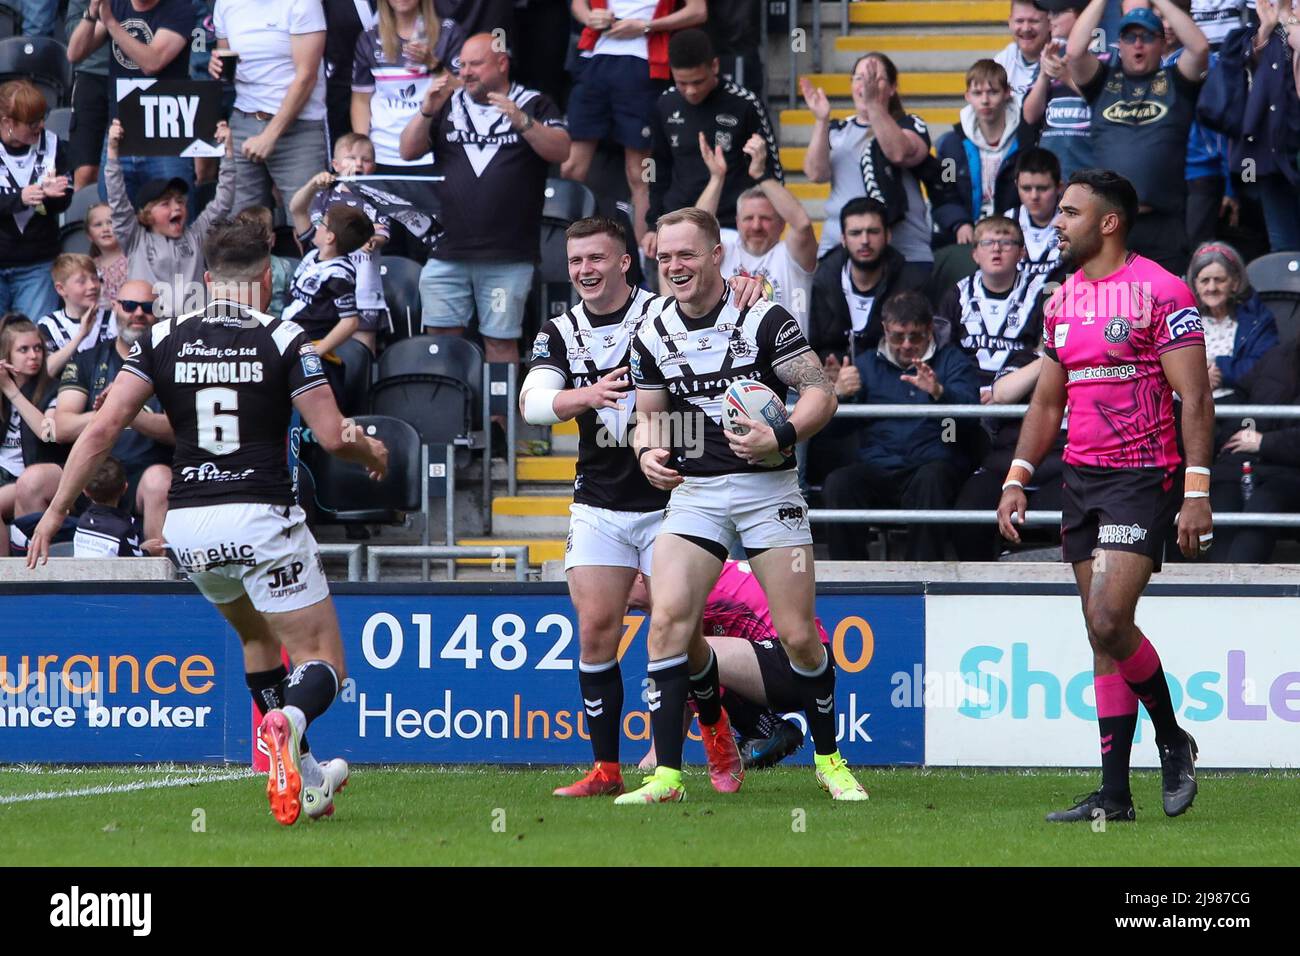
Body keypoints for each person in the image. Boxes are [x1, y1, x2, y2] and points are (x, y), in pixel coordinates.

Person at [27, 218, 390, 827]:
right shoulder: (284, 336)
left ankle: (301, 775)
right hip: (260, 515)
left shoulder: (160, 337)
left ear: (207, 277)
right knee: (323, 662)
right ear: (268, 276)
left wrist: (55, 512)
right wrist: (370, 452)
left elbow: (102, 427)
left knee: (256, 639)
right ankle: (289, 722)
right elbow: (331, 437)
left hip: (187, 526)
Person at [625, 206, 868, 803]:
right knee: (668, 623)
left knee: (798, 637)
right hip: (698, 495)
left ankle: (831, 761)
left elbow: (821, 392)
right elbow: (649, 421)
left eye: (686, 254)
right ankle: (669, 777)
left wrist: (779, 435)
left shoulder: (761, 315)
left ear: (717, 255)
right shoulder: (652, 332)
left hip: (768, 493)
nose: (675, 266)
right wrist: (647, 453)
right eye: (665, 257)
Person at [519, 215, 763, 798]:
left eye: (597, 259)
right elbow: (532, 403)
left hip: (673, 500)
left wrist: (755, 284)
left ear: (625, 261)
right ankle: (606, 771)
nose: (585, 271)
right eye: (576, 262)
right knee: (596, 629)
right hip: (599, 501)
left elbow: (725, 301)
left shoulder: (664, 312)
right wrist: (589, 394)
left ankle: (711, 733)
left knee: (679, 633)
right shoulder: (559, 330)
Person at [996, 169, 1212, 823]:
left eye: (1068, 212)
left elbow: (1195, 396)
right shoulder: (1061, 301)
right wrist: (1016, 476)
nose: (1055, 222)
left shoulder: (1162, 291)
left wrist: (1197, 491)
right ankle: (1115, 795)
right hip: (1081, 477)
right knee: (1100, 638)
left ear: (1108, 222)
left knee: (1108, 620)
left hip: (1143, 475)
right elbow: (1047, 398)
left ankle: (1173, 740)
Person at [399, 33, 570, 365]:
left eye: (475, 64)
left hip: (507, 255)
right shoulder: (447, 102)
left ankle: (499, 418)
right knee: (441, 344)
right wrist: (425, 112)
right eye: (461, 65)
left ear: (502, 63)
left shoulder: (535, 102)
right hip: (447, 251)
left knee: (501, 343)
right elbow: (407, 151)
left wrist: (521, 121)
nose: (465, 72)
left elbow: (561, 150)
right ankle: (449, 416)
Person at [823, 290, 980, 561]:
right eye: (897, 336)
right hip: (878, 468)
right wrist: (838, 395)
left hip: (930, 468)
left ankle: (921, 575)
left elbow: (966, 426)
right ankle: (848, 577)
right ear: (884, 329)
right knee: (839, 484)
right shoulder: (865, 366)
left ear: (930, 329)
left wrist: (940, 394)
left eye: (915, 336)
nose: (906, 345)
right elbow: (833, 433)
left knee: (934, 478)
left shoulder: (951, 362)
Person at [629, 559, 817, 773]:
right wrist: (658, 755)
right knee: (686, 657)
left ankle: (765, 730)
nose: (615, 601)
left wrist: (657, 754)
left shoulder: (684, 588)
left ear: (638, 575)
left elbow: (684, 665)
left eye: (620, 587)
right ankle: (765, 730)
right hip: (808, 667)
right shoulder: (692, 572)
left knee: (680, 653)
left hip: (793, 665)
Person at [1067, 0, 1209, 275]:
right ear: (1119, 44)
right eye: (1130, 37)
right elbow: (1074, 52)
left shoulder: (1177, 82)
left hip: (1164, 222)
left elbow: (1200, 48)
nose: (1138, 44)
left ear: (1162, 42)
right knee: (1111, 310)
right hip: (1111, 224)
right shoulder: (1103, 83)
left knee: (1165, 309)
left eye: (1147, 37)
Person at [561, 0, 707, 247]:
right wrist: (590, 18)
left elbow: (698, 11)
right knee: (571, 168)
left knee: (640, 173)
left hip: (643, 61)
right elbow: (578, 5)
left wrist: (646, 26)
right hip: (594, 58)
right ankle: (568, 251)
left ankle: (642, 258)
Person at [52, 278, 175, 544]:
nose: (138, 313)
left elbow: (181, 432)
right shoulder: (88, 359)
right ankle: (34, 580)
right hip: (90, 471)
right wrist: (109, 412)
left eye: (147, 306)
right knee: (32, 482)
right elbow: (62, 427)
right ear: (115, 307)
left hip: (144, 474)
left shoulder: (174, 363)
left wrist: (130, 413)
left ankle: (158, 579)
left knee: (159, 481)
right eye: (129, 306)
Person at [642, 29, 782, 256]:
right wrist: (652, 225)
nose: (691, 90)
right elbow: (658, 169)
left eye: (698, 81)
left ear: (714, 66)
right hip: (677, 223)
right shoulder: (665, 103)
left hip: (730, 227)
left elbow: (772, 169)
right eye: (682, 83)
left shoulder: (745, 104)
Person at [800, 53, 935, 279]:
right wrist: (822, 120)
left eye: (875, 79)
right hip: (839, 249)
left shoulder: (910, 124)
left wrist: (875, 107)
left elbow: (898, 153)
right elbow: (815, 173)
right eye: (859, 78)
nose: (867, 85)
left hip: (905, 252)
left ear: (892, 88)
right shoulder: (837, 129)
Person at [67, 0, 199, 205]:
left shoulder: (179, 8)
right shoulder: (117, 5)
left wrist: (111, 22)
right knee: (116, 214)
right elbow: (74, 54)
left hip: (165, 133)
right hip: (122, 131)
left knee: (171, 213)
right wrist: (92, 14)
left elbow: (152, 62)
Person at [209, 0, 330, 219]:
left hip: (299, 126)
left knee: (309, 222)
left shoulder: (303, 3)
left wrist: (269, 135)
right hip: (243, 118)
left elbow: (307, 77)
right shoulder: (225, 3)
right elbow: (227, 59)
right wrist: (216, 66)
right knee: (239, 225)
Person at [105, 118, 235, 317]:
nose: (177, 207)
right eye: (165, 203)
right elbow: (117, 197)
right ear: (147, 213)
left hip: (193, 331)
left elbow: (224, 201)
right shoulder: (135, 238)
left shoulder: (197, 235)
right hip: (151, 329)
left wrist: (227, 151)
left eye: (180, 202)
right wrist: (113, 151)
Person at [951, 348, 1067, 560]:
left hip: (1061, 469)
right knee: (968, 515)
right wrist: (1053, 356)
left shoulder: (1090, 364)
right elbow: (1003, 394)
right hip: (1005, 466)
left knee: (1065, 519)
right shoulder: (1025, 359)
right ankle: (981, 588)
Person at [696, 132, 817, 335]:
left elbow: (803, 225)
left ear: (781, 224)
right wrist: (717, 178)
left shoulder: (790, 254)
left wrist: (761, 174)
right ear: (737, 222)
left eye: (766, 218)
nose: (756, 226)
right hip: (733, 359)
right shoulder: (726, 246)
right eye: (748, 218)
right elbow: (697, 230)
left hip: (786, 357)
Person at [288, 134, 391, 354]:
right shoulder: (324, 195)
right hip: (322, 303)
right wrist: (314, 184)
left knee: (361, 353)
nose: (358, 164)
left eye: (366, 160)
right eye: (351, 158)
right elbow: (299, 211)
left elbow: (382, 232)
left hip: (365, 294)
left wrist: (372, 240)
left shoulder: (377, 197)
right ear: (335, 165)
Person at [1205, 339, 1300, 562]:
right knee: (1221, 510)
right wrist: (1230, 435)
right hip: (1238, 464)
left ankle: (1236, 592)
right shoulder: (1276, 355)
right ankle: (1219, 588)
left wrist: (1264, 442)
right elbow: (1241, 395)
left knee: (1262, 509)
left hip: (1287, 472)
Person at [351, 0, 466, 175]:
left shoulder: (448, 32)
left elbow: (464, 93)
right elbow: (361, 100)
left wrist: (432, 63)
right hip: (382, 154)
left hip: (432, 152)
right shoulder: (369, 37)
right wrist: (364, 150)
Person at [933, 60, 1036, 248]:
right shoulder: (951, 145)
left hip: (1017, 235)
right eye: (977, 93)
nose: (985, 100)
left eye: (993, 92)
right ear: (967, 96)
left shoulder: (1026, 141)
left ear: (1007, 93)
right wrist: (959, 223)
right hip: (968, 236)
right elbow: (944, 193)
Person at [936, 216, 1050, 386]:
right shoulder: (956, 295)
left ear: (1021, 253)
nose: (996, 249)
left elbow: (1044, 352)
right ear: (975, 254)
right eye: (987, 243)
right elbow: (943, 351)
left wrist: (1004, 388)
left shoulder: (1041, 294)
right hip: (964, 388)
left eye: (1006, 243)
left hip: (1019, 390)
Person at [807, 197, 925, 360]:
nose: (865, 241)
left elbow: (919, 347)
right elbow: (815, 346)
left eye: (873, 232)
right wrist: (827, 374)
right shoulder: (824, 279)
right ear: (843, 239)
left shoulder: (911, 282)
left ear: (888, 235)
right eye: (855, 233)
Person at [281, 203, 375, 398]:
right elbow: (297, 207)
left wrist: (316, 352)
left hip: (314, 357)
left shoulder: (339, 273)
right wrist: (314, 185)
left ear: (330, 237)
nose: (316, 226)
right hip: (290, 345)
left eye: (321, 223)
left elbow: (350, 321)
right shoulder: (313, 252)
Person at [0, 81, 73, 323]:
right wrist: (18, 199)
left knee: (34, 341)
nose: (40, 126)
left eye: (42, 118)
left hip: (37, 264)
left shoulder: (53, 145)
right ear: (8, 122)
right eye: (32, 123)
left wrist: (51, 197)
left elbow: (64, 202)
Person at [0, 315, 61, 557]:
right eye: (23, 350)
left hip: (27, 477)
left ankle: (7, 578)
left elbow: (48, 433)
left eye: (37, 348)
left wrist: (11, 390)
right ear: (7, 355)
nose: (33, 355)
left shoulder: (54, 389)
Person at [1185, 242, 1279, 400]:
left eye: (1219, 280)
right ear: (1195, 284)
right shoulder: (1182, 318)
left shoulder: (1257, 321)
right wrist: (1197, 376)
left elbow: (1265, 367)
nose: (1212, 287)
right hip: (1184, 404)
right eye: (1204, 281)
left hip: (1236, 405)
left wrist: (1219, 370)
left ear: (1235, 282)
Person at [1022, 0, 1101, 185]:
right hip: (1050, 177)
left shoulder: (1109, 55)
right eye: (1049, 13)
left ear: (1081, 15)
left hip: (1091, 173)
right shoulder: (1053, 53)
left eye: (1057, 13)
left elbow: (1106, 103)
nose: (1050, 18)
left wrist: (1065, 77)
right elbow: (1030, 116)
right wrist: (1043, 75)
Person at [37, 254, 117, 379]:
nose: (92, 286)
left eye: (95, 279)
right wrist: (81, 335)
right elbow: (46, 372)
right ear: (61, 289)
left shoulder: (114, 317)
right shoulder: (49, 325)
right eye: (81, 281)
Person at [65, 0, 114, 191]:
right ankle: (85, 220)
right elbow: (72, 39)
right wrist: (107, 15)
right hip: (92, 74)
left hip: (137, 76)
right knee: (85, 171)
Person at [1004, 147, 1063, 277]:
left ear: (1059, 187)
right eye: (1026, 188)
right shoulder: (1006, 222)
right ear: (1016, 185)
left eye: (1042, 188)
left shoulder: (1073, 224)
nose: (1034, 196)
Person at [72, 455, 147, 558]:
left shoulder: (82, 521)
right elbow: (136, 563)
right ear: (125, 488)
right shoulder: (124, 528)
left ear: (85, 491)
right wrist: (148, 551)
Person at [232, 206, 298, 320]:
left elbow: (293, 302)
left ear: (272, 240)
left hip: (278, 324)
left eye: (262, 239)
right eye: (248, 239)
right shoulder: (234, 269)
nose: (255, 245)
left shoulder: (284, 267)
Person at [994, 0, 1052, 99]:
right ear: (1010, 23)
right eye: (1019, 21)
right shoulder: (1003, 60)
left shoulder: (1062, 60)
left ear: (1050, 23)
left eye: (1034, 21)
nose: (1026, 28)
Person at [85, 203, 130, 309]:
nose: (105, 229)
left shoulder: (132, 260)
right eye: (98, 224)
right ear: (89, 235)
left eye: (110, 222)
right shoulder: (89, 266)